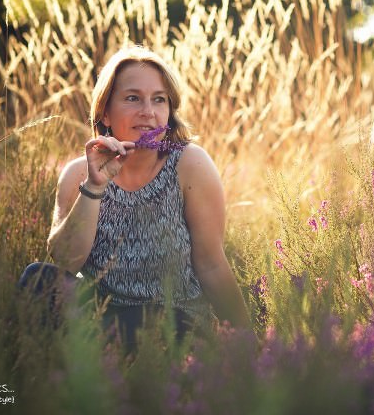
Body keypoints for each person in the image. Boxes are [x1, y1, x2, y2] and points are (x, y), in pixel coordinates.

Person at [19, 45, 250, 346]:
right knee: (38, 279)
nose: (148, 112)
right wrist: (95, 187)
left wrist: (249, 347)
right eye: (132, 98)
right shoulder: (78, 175)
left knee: (149, 322)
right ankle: (41, 370)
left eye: (159, 99)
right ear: (105, 112)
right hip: (102, 320)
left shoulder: (190, 165)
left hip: (175, 324)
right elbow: (66, 261)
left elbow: (212, 265)